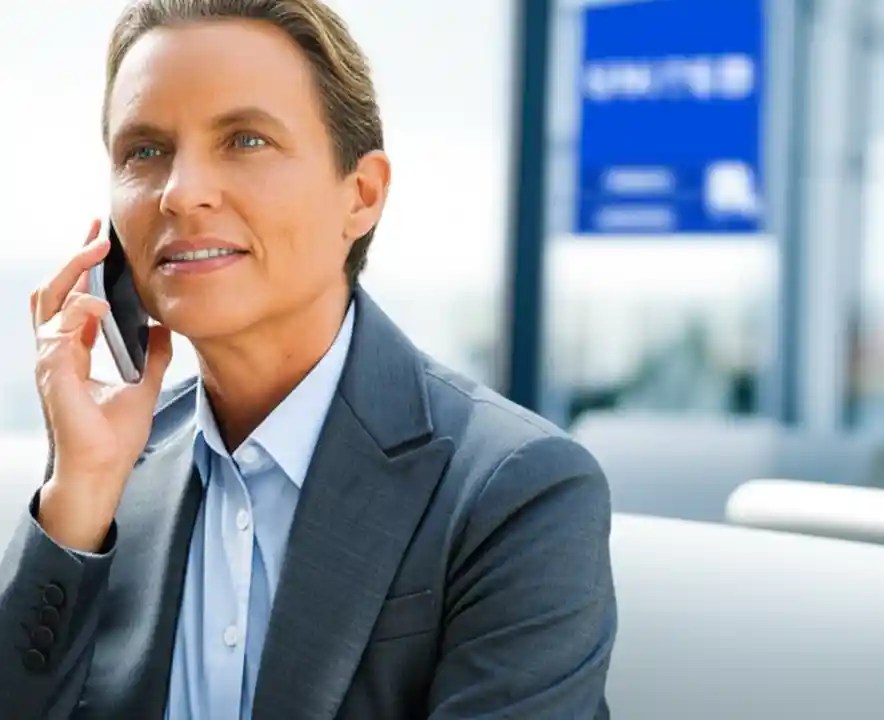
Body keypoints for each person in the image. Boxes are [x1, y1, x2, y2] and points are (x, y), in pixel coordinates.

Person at [0, 1, 616, 717]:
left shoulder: (517, 491)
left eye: (245, 140)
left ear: (362, 196)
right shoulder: (109, 480)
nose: (181, 191)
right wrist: (77, 498)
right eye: (145, 151)